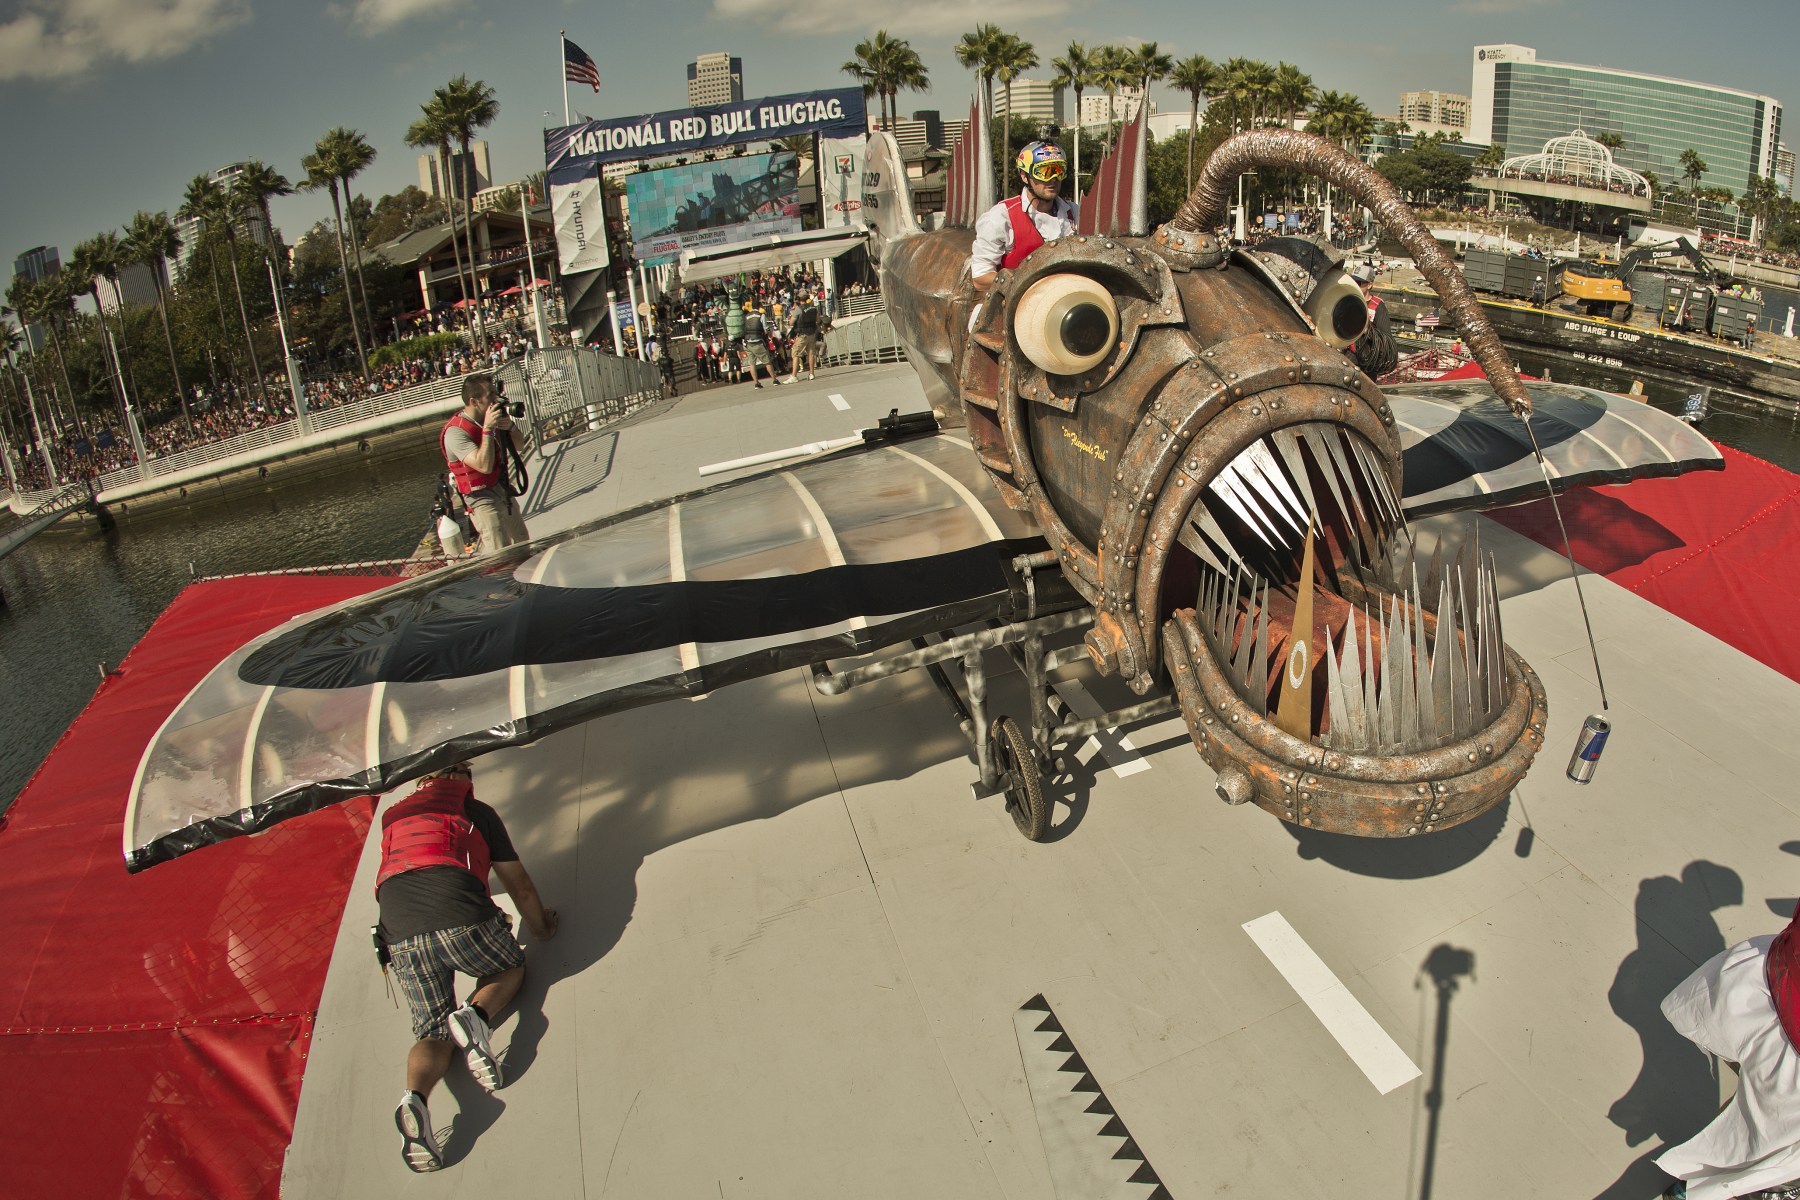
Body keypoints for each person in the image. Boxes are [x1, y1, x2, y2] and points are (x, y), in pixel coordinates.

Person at [381, 764, 559, 1173]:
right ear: (465, 778)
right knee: (509, 967)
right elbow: (520, 884)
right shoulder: (476, 812)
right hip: (461, 917)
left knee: (431, 1032)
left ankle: (416, 1099)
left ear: (421, 781)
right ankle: (477, 1016)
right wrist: (542, 928)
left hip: (400, 938)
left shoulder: (393, 817)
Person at [1657, 902, 1800, 1198]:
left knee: (1758, 1114)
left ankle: (1700, 1180)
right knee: (1768, 1142)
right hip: (1786, 1037)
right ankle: (1705, 1184)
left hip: (1764, 988)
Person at [969, 141, 1080, 289]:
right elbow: (980, 278)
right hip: (1015, 305)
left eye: (1058, 170)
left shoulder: (1075, 212)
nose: (1053, 179)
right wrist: (1025, 281)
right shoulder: (1001, 217)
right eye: (1043, 172)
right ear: (1024, 176)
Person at [440, 373, 528, 552]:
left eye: (495, 394)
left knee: (522, 540)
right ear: (474, 402)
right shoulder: (455, 432)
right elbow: (484, 466)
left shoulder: (491, 417)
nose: (495, 400)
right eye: (490, 396)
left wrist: (509, 426)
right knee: (500, 549)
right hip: (480, 498)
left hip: (501, 487)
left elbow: (519, 445)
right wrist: (488, 429)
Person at [1348, 263, 1398, 378]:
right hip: (1345, 358)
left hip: (1365, 365)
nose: (1355, 285)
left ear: (1369, 285)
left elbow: (1386, 339)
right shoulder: (1347, 300)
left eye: (1359, 283)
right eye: (1353, 282)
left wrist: (1367, 330)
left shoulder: (1378, 306)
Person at [740, 301, 781, 389]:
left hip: (747, 342)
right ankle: (774, 380)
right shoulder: (761, 315)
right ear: (759, 306)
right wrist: (770, 335)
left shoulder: (746, 316)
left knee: (752, 363)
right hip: (757, 341)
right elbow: (766, 329)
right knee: (767, 361)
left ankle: (756, 383)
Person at [785, 294, 821, 382]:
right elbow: (818, 320)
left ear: (799, 301)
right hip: (812, 333)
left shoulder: (798, 309)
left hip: (802, 334)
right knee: (811, 353)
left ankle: (794, 376)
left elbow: (791, 323)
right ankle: (811, 373)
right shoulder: (813, 308)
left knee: (796, 353)